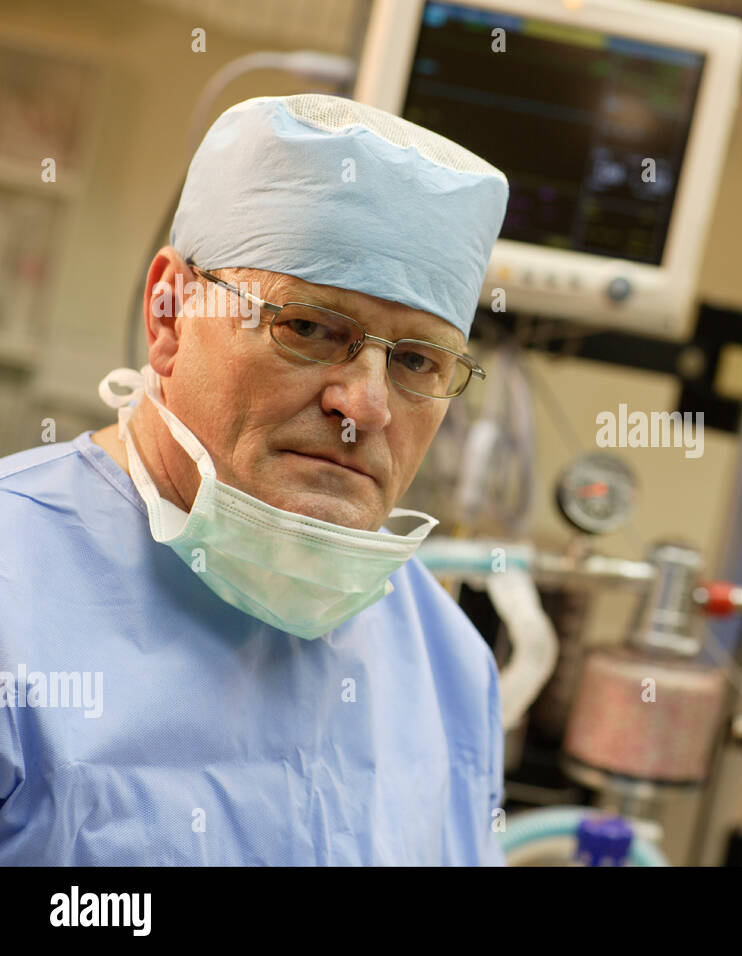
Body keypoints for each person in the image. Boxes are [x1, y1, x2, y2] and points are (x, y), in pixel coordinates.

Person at [0, 94, 510, 865]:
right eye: (307, 328)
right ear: (170, 313)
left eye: (416, 362)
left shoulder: (449, 672)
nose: (364, 406)